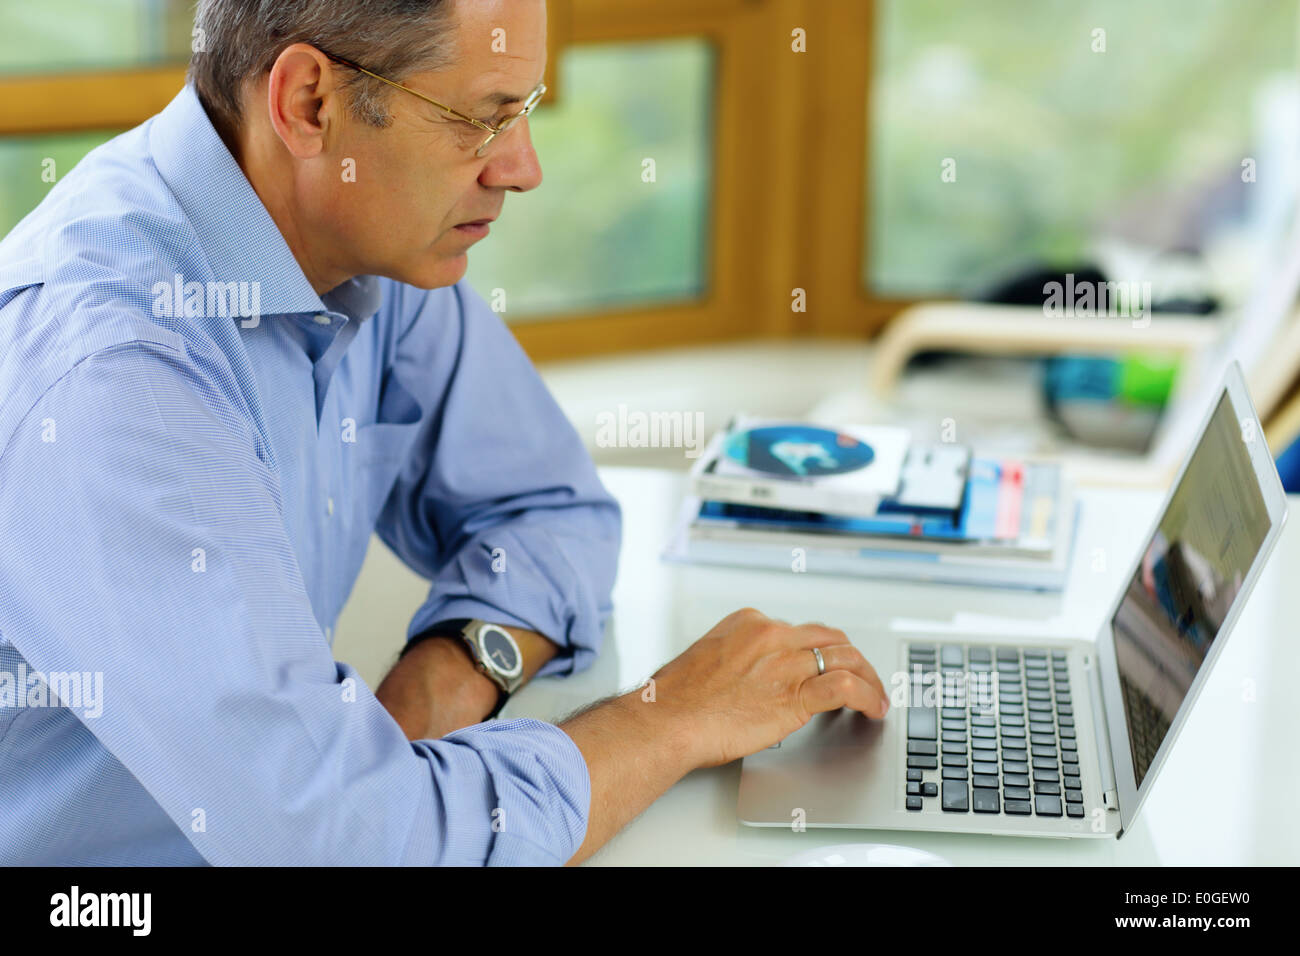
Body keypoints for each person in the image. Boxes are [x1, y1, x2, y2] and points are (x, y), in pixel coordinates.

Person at [0, 0, 888, 866]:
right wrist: (670, 716)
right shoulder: (117, 383)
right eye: (481, 119)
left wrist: (448, 682)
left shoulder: (355, 239)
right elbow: (338, 848)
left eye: (526, 113)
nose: (523, 168)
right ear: (310, 102)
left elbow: (551, 509)